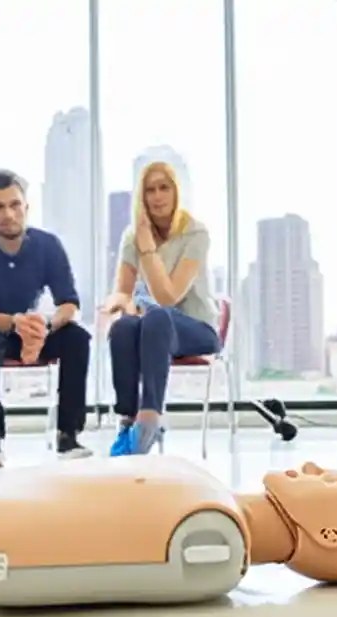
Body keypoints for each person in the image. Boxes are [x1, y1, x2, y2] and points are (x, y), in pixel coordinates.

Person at [0, 170, 92, 468]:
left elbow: (69, 303)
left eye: (15, 205)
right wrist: (15, 322)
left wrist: (45, 326)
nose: (8, 214)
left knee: (77, 339)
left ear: (26, 207)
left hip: (29, 329)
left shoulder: (47, 245)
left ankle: (69, 434)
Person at [102, 161, 221, 456]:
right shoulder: (133, 235)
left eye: (164, 188)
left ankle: (150, 418)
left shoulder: (196, 233)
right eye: (150, 190)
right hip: (152, 328)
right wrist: (121, 304)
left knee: (157, 317)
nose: (157, 196)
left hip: (197, 329)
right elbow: (123, 291)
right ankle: (128, 420)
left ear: (176, 192)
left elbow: (168, 296)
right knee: (123, 327)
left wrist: (148, 248)